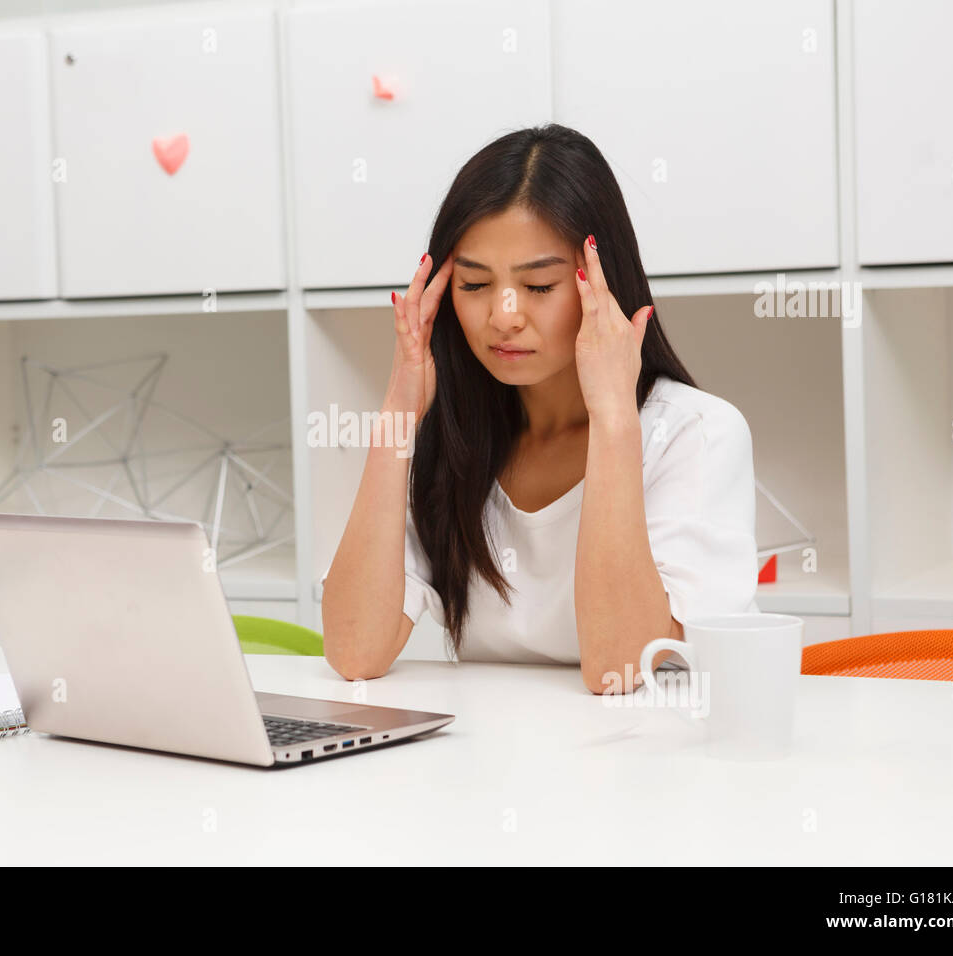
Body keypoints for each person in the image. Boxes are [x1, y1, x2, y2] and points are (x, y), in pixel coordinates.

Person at [321, 123, 759, 694]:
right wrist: (401, 410)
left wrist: (613, 420)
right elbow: (355, 649)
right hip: (491, 773)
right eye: (475, 285)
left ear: (602, 283)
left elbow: (619, 667)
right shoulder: (451, 438)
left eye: (540, 287)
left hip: (647, 769)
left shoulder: (696, 434)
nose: (503, 315)